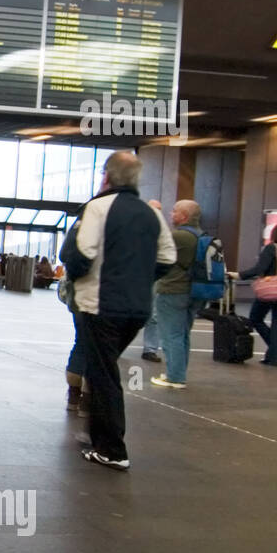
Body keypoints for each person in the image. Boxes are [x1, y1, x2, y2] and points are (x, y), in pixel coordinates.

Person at [61, 151, 175, 471]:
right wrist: (138, 280)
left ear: (106, 177)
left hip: (100, 304)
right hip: (137, 307)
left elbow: (80, 253)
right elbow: (167, 258)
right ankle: (99, 438)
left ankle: (112, 448)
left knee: (104, 374)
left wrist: (80, 276)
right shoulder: (151, 214)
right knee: (103, 370)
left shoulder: (97, 207)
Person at [150, 199, 207, 389]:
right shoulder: (201, 236)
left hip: (173, 290)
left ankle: (174, 377)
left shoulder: (179, 237)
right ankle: (178, 372)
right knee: (183, 335)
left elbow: (154, 250)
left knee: (170, 334)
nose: (171, 214)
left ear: (184, 216)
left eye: (174, 211)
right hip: (194, 291)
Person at [229, 221, 277, 366]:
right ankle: (275, 356)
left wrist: (239, 275)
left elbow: (259, 268)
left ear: (275, 234)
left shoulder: (271, 248)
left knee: (255, 318)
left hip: (269, 289)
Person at [140, 199, 164, 362]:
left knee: (153, 315)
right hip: (133, 276)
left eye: (159, 210)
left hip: (153, 277)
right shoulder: (135, 228)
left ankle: (150, 349)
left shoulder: (162, 232)